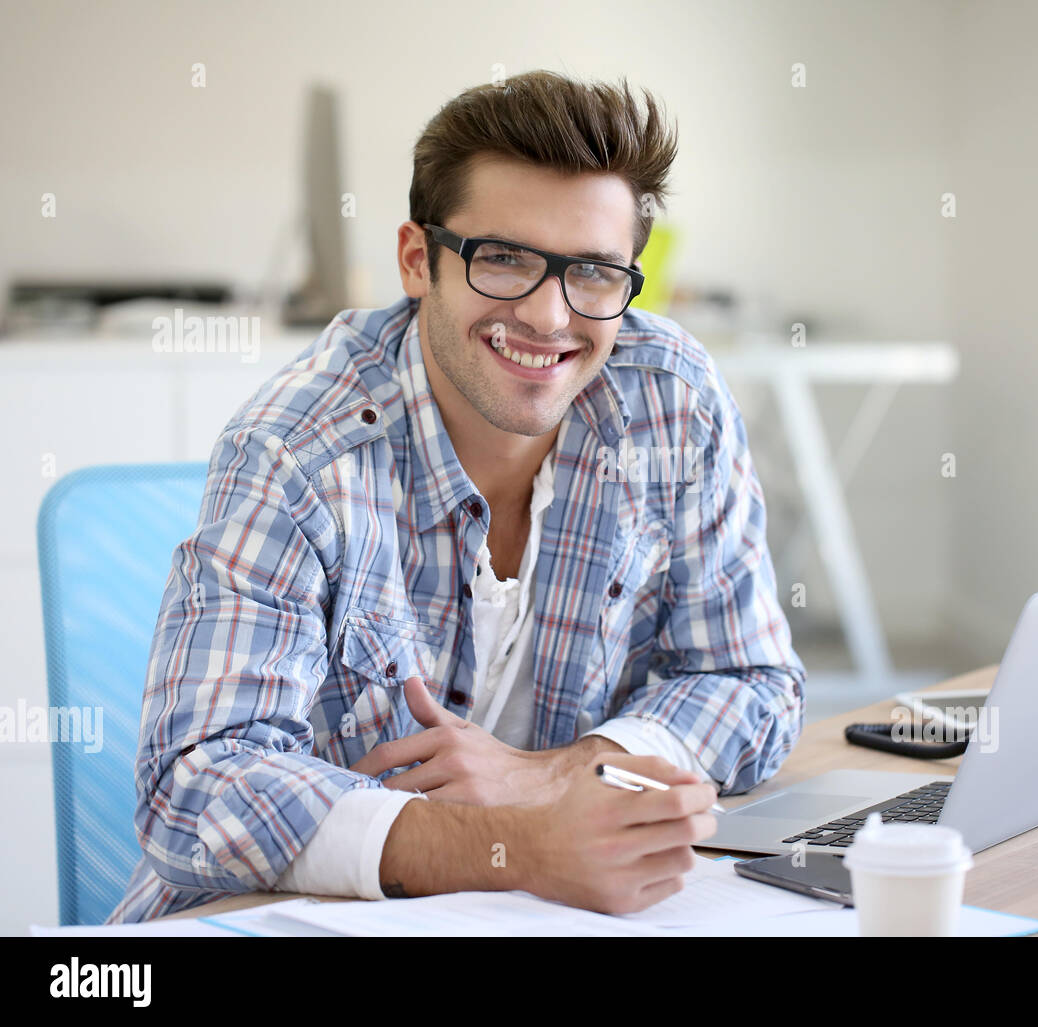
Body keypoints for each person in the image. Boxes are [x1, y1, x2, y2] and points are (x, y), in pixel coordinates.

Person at [109, 70, 804, 923]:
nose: (550, 317)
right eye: (504, 259)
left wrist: (552, 773)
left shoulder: (672, 400)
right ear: (417, 260)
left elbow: (751, 678)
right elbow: (196, 783)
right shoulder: (297, 449)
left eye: (592, 272)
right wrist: (523, 849)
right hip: (278, 914)